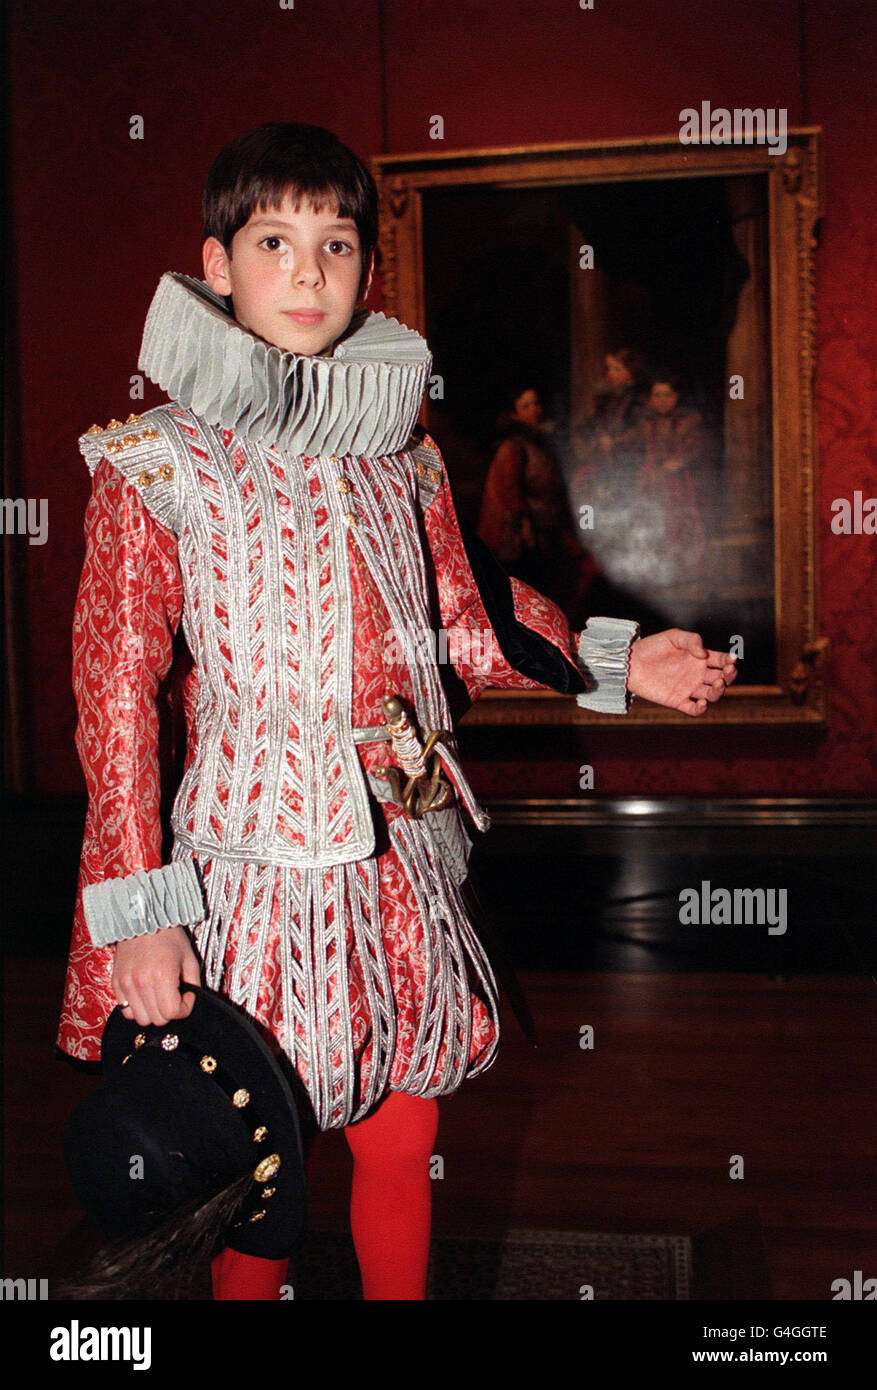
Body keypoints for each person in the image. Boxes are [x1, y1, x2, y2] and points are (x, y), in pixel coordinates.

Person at [57, 123, 738, 1302]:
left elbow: (474, 621)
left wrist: (624, 665)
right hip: (236, 870)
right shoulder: (153, 466)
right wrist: (141, 915)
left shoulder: (401, 461)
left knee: (400, 1132)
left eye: (336, 242)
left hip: (391, 856)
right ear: (215, 264)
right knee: (250, 1168)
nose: (309, 272)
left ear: (369, 269)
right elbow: (113, 701)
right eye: (275, 240)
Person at [477, 386, 599, 627]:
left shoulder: (541, 443)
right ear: (514, 413)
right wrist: (524, 527)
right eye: (526, 406)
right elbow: (510, 492)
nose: (535, 410)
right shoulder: (512, 447)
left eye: (536, 404)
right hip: (525, 535)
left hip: (548, 526)